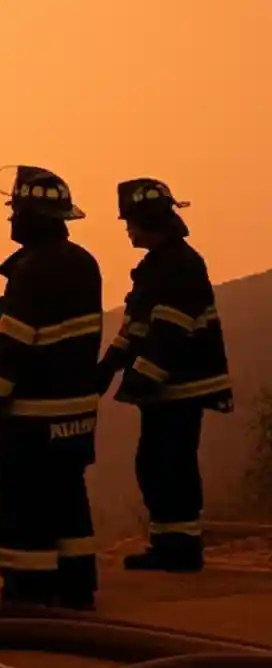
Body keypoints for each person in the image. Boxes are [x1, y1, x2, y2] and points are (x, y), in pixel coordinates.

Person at [0, 165, 104, 610]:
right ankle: (76, 586)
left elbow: (14, 346)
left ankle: (27, 593)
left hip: (31, 416)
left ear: (34, 217)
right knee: (69, 498)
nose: (11, 219)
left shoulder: (30, 272)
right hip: (77, 413)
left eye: (16, 210)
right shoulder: (84, 263)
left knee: (20, 503)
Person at [97, 178, 233, 572]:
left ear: (147, 221)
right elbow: (139, 326)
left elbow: (169, 331)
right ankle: (169, 543)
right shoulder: (160, 265)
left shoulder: (179, 264)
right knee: (156, 462)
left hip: (181, 386)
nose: (127, 229)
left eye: (131, 222)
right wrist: (110, 364)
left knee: (170, 463)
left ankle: (180, 549)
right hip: (168, 387)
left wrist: (140, 376)